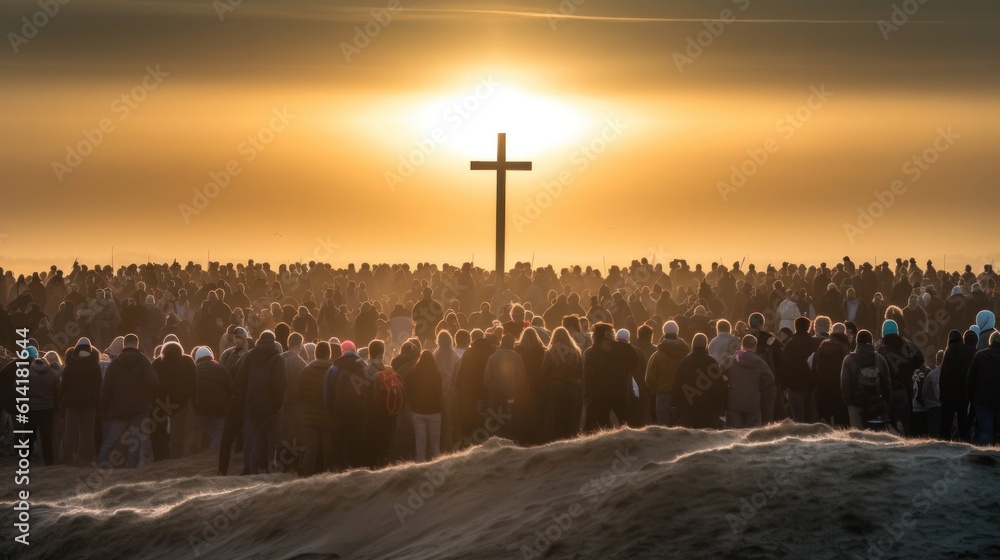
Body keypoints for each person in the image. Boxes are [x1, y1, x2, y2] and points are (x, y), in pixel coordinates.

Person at [98, 334, 159, 468]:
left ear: (124, 345)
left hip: (119, 408)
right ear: (137, 344)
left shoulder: (115, 364)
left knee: (111, 440)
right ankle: (132, 470)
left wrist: (104, 411)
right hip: (140, 408)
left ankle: (99, 466)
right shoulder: (144, 361)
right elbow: (154, 382)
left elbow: (106, 389)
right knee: (135, 441)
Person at [237, 330, 285, 474]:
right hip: (271, 409)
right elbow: (280, 385)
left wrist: (247, 398)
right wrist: (278, 405)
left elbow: (239, 379)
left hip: (253, 407)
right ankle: (271, 472)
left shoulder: (251, 355)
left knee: (258, 441)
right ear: (274, 342)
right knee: (272, 442)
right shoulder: (277, 358)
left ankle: (259, 471)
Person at [875, 319, 924, 436]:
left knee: (887, 425)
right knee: (903, 424)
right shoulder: (907, 344)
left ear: (883, 332)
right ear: (897, 331)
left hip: (885, 392)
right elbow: (921, 359)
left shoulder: (878, 346)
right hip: (903, 390)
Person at [150, 340, 197, 460]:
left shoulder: (157, 363)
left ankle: (162, 455)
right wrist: (192, 399)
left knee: (160, 432)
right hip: (181, 402)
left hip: (161, 404)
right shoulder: (187, 361)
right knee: (180, 432)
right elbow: (193, 383)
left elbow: (153, 385)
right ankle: (178, 455)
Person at [326, 340, 369, 469]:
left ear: (341, 351)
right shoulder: (364, 366)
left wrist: (331, 409)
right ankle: (357, 470)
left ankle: (338, 471)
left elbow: (327, 390)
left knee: (338, 444)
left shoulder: (334, 367)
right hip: (359, 413)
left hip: (339, 412)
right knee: (356, 443)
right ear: (355, 351)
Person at [583, 323, 633, 431]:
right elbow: (633, 361)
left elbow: (588, 375)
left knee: (599, 425)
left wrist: (587, 394)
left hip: (599, 394)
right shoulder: (620, 348)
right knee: (624, 422)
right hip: (620, 392)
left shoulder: (592, 353)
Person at [60, 337, 102, 464]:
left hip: (71, 404)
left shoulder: (70, 366)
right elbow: (98, 388)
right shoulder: (95, 367)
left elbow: (63, 386)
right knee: (86, 434)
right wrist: (97, 405)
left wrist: (64, 401)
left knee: (69, 433)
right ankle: (84, 459)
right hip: (89, 405)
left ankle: (68, 459)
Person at [672, 333, 726, 429]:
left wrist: (679, 406)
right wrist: (717, 409)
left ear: (693, 344)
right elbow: (719, 388)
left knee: (689, 440)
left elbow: (676, 385)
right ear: (706, 345)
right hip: (707, 411)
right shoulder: (712, 362)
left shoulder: (684, 362)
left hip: (687, 410)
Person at [840, 329, 892, 430]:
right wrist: (886, 404)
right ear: (871, 341)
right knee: (876, 436)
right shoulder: (879, 359)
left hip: (855, 404)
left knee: (858, 437)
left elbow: (844, 384)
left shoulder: (849, 359)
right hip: (875, 403)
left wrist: (848, 403)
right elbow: (887, 384)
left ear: (857, 342)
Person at [299, 341, 336, 475]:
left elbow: (300, 393)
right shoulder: (333, 371)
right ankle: (329, 478)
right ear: (329, 354)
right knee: (328, 451)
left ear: (315, 354)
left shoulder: (305, 370)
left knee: (310, 450)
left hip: (309, 416)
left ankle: (306, 477)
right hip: (327, 416)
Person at [453, 332, 497, 445]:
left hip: (467, 395)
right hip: (484, 395)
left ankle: (465, 448)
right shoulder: (492, 352)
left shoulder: (469, 352)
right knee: (483, 426)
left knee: (467, 426)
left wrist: (457, 388)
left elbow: (460, 373)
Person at [724, 335, 776, 428]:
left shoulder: (731, 359)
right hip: (753, 403)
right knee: (752, 437)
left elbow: (719, 375)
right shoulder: (759, 361)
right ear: (755, 347)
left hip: (734, 402)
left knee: (733, 436)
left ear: (741, 345)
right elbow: (770, 379)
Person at [541, 327, 583, 441]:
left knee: (557, 417)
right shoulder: (576, 352)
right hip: (572, 388)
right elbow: (580, 372)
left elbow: (544, 371)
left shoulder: (550, 352)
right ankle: (570, 439)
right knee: (570, 416)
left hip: (556, 388)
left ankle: (558, 441)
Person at [644, 321, 689, 426]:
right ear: (677, 332)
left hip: (663, 396)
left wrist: (657, 388)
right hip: (685, 395)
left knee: (664, 429)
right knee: (681, 429)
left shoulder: (657, 355)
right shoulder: (687, 354)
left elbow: (649, 379)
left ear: (664, 332)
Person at [483, 334, 527, 441]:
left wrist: (491, 389)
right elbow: (521, 377)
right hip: (512, 395)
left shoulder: (493, 357)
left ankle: (495, 441)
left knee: (494, 421)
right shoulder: (517, 357)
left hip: (495, 395)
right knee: (510, 419)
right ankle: (510, 440)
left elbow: (487, 378)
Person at [780, 317, 820, 423]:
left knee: (798, 418)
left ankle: (799, 437)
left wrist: (786, 384)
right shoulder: (814, 343)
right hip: (811, 384)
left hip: (795, 386)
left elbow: (784, 365)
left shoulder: (790, 343)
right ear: (809, 327)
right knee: (811, 417)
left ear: (795, 326)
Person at [938, 330, 976, 441]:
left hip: (949, 395)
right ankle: (966, 446)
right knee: (963, 425)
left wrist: (942, 395)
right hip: (964, 394)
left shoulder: (950, 351)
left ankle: (944, 449)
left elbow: (944, 375)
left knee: (945, 426)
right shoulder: (967, 351)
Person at [193, 346, 232, 451]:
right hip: (220, 408)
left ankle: (199, 456)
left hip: (201, 409)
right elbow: (231, 389)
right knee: (218, 432)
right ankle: (214, 454)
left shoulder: (194, 371)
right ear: (211, 357)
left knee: (200, 432)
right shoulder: (221, 369)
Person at [407, 350, 443, 461]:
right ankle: (437, 466)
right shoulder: (437, 374)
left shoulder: (412, 373)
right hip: (434, 412)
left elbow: (409, 392)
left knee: (420, 444)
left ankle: (420, 467)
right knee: (435, 446)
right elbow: (439, 393)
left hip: (417, 412)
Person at [25, 349, 59, 464]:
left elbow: (17, 386)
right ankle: (49, 461)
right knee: (46, 437)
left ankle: (26, 460)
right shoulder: (53, 374)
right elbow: (57, 392)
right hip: (47, 409)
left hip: (31, 409)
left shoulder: (27, 373)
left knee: (29, 436)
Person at [280, 333, 308, 473]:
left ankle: (282, 467)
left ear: (288, 343)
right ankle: (296, 467)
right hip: (297, 404)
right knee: (298, 436)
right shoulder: (300, 363)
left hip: (281, 404)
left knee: (284, 436)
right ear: (300, 345)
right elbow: (305, 385)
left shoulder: (278, 359)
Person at [813, 324, 851, 426]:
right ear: (844, 332)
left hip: (822, 386)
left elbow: (814, 362)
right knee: (839, 418)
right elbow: (847, 366)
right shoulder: (844, 346)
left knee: (824, 416)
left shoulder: (824, 344)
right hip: (838, 387)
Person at [967, 331, 1000, 445]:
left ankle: (984, 458)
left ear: (990, 341)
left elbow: (970, 378)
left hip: (982, 398)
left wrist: (971, 398)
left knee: (986, 431)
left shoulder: (980, 355)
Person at [921, 350, 943, 438]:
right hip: (946, 408)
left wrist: (929, 405)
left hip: (933, 408)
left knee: (934, 435)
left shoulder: (931, 374)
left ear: (937, 360)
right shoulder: (952, 372)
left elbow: (925, 393)